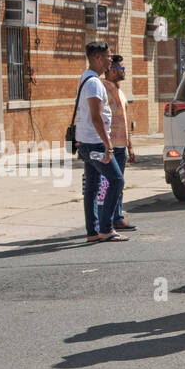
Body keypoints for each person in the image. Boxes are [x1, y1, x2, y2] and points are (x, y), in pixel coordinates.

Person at [74, 41, 126, 242]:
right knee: (116, 180)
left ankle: (93, 232)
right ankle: (105, 228)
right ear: (97, 58)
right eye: (107, 56)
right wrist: (108, 144)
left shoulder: (87, 78)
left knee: (93, 185)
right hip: (95, 142)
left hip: (86, 141)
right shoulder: (94, 82)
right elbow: (96, 117)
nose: (110, 60)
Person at [102, 54, 137, 232]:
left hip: (121, 145)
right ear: (109, 71)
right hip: (108, 145)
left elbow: (125, 120)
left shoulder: (120, 92)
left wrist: (130, 145)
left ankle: (117, 217)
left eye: (123, 68)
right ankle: (107, 220)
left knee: (119, 183)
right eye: (119, 69)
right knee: (108, 184)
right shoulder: (102, 89)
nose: (122, 71)